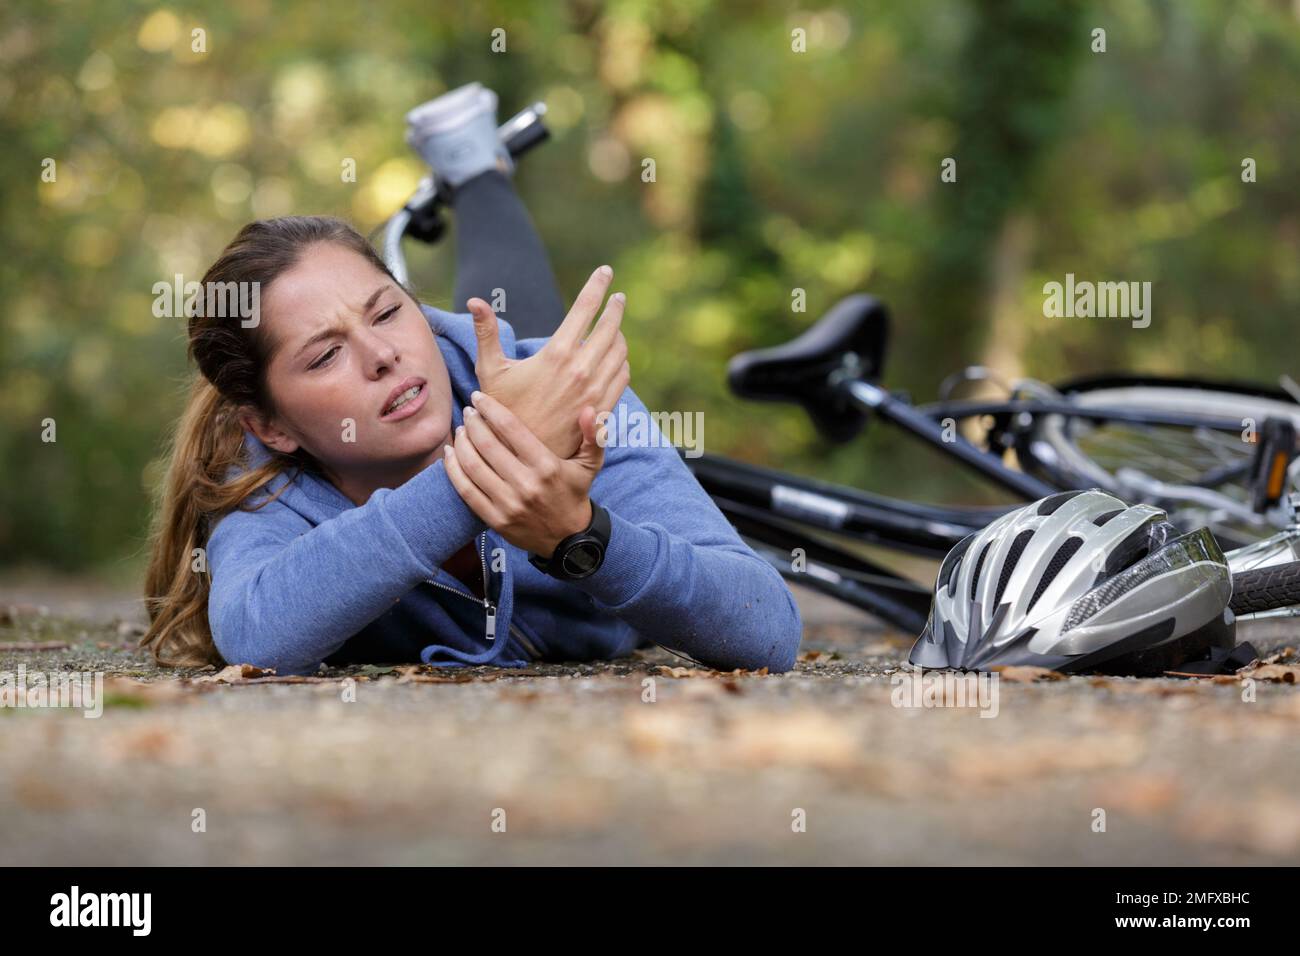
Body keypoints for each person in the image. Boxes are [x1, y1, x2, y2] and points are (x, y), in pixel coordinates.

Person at [141, 84, 803, 676]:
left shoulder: (573, 397)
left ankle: (476, 171)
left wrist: (585, 539)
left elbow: (768, 631)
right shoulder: (255, 473)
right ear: (271, 425)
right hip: (484, 402)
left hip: (502, 362)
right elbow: (260, 634)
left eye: (389, 312)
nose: (381, 356)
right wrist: (496, 465)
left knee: (516, 331)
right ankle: (472, 167)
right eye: (323, 357)